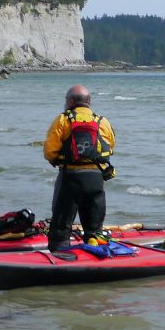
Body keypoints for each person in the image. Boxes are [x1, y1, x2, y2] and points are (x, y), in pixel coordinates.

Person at [43, 84, 116, 253]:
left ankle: (59, 252)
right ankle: (95, 252)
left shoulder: (62, 120)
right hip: (96, 179)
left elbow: (50, 151)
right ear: (88, 101)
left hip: (70, 177)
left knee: (61, 223)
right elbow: (111, 145)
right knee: (94, 225)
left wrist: (57, 160)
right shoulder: (102, 121)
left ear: (70, 101)